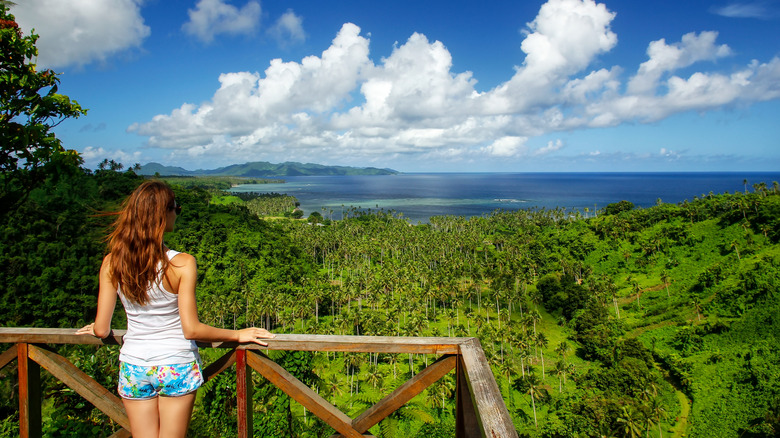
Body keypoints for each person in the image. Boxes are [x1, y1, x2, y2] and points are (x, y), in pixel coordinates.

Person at [77, 181, 274, 438]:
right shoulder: (182, 264)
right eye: (175, 208)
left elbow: (102, 329)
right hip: (175, 363)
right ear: (163, 215)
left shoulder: (112, 263)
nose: (177, 213)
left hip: (134, 365)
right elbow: (191, 329)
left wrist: (94, 328)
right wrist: (237, 335)